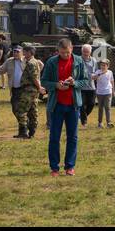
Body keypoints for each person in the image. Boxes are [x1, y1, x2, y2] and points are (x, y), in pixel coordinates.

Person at [42, 38, 86, 176]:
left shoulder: (79, 61)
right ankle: (54, 168)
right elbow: (44, 81)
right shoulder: (51, 62)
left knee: (72, 137)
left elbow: (85, 81)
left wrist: (74, 83)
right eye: (62, 53)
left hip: (73, 106)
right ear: (58, 51)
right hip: (57, 106)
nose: (65, 55)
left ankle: (70, 167)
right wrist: (56, 85)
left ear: (72, 49)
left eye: (67, 52)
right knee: (54, 137)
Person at [15, 46, 45, 138]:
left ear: (29, 53)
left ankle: (23, 132)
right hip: (33, 90)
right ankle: (32, 131)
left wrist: (39, 87)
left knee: (21, 110)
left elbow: (34, 77)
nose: (23, 52)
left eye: (25, 51)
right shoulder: (35, 62)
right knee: (32, 111)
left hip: (29, 90)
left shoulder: (31, 63)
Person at [77, 44, 97, 128]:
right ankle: (84, 122)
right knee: (81, 104)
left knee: (91, 104)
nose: (85, 53)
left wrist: (95, 76)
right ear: (82, 51)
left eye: (87, 52)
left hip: (91, 86)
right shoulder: (78, 59)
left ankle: (81, 117)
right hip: (81, 86)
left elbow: (96, 71)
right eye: (84, 51)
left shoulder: (94, 60)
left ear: (90, 52)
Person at [94, 59, 115, 128]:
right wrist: (101, 73)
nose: (102, 66)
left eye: (104, 65)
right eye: (101, 65)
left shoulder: (110, 72)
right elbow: (93, 78)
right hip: (99, 92)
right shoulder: (98, 72)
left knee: (107, 107)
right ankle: (100, 123)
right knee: (100, 108)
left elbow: (112, 82)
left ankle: (109, 123)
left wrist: (113, 91)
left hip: (108, 92)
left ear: (108, 66)